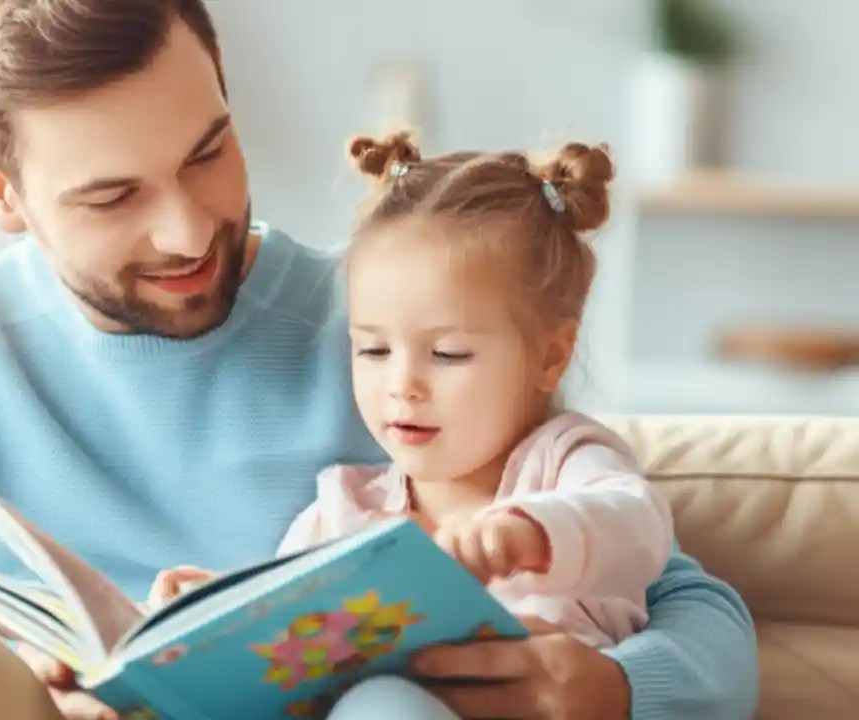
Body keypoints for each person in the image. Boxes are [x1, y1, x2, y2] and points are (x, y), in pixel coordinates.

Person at [0, 1, 758, 719]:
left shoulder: (389, 334)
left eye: (207, 150)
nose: (185, 231)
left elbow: (681, 594)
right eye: (112, 196)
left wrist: (619, 692)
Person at [152, 134, 678, 718]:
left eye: (449, 354)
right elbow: (285, 632)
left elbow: (639, 523)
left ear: (551, 357)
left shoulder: (563, 463)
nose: (403, 385)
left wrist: (530, 531)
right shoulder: (342, 510)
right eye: (374, 351)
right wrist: (211, 610)